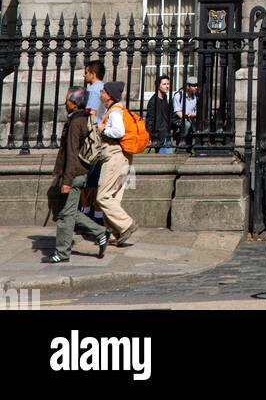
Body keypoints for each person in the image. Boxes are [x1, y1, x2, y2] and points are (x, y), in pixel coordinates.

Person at [48, 86, 110, 264]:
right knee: (69, 212)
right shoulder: (84, 118)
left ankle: (62, 251)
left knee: (65, 216)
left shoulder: (76, 123)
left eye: (67, 99)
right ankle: (100, 232)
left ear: (74, 103)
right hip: (79, 172)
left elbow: (71, 153)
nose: (65, 103)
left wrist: (66, 180)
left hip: (74, 174)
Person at [95, 81, 137, 246]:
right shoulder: (115, 109)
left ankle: (126, 224)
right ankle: (113, 233)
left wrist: (102, 129)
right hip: (122, 157)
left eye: (103, 91)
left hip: (115, 157)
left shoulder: (115, 111)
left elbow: (119, 131)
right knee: (113, 197)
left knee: (103, 196)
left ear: (109, 95)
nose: (101, 94)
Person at [145, 74, 173, 153]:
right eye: (164, 84)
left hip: (166, 134)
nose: (167, 86)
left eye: (168, 84)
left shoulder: (165, 99)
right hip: (158, 135)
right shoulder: (153, 101)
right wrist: (149, 136)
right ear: (158, 85)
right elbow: (150, 120)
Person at [172, 77, 198, 148]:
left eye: (196, 85)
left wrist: (192, 114)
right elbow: (177, 111)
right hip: (180, 119)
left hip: (191, 119)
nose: (196, 87)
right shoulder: (179, 95)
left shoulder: (195, 96)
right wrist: (185, 118)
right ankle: (181, 143)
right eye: (193, 86)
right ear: (187, 86)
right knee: (187, 124)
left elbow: (197, 112)